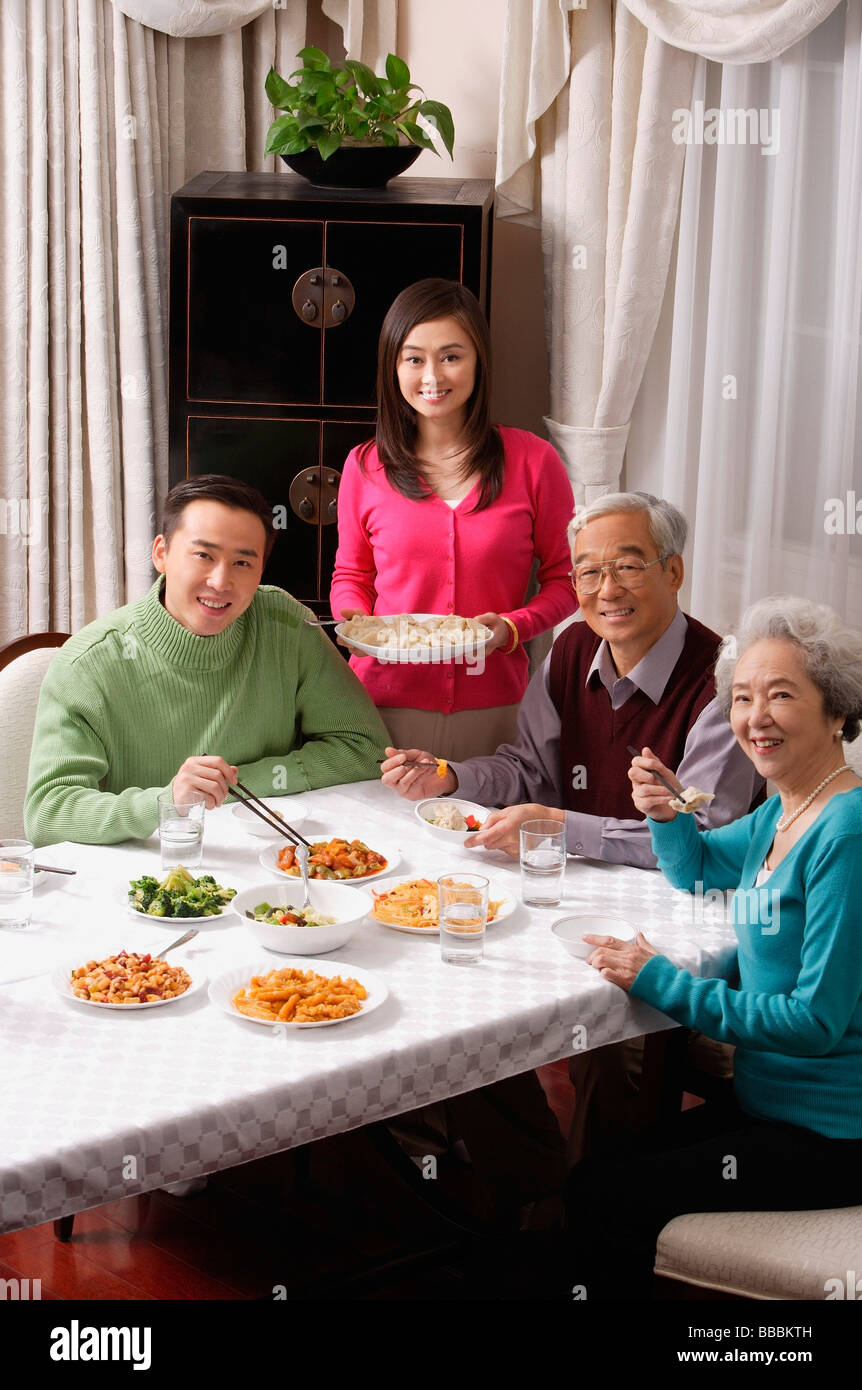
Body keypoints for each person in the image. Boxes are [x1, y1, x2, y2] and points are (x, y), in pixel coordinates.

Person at [383, 490, 762, 1168]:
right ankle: (528, 1184)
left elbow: (699, 838)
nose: (605, 588)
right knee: (464, 984)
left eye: (628, 565)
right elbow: (528, 767)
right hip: (574, 897)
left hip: (696, 918)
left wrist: (560, 827)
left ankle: (595, 1216)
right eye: (588, 571)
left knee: (610, 1040)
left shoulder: (721, 681)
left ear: (674, 572)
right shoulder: (570, 650)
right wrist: (451, 775)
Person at [564, 595, 862, 1300]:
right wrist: (667, 811)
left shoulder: (845, 833)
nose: (755, 717)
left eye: (782, 695)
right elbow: (695, 867)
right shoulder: (786, 811)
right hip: (770, 1104)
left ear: (837, 708)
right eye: (742, 697)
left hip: (833, 1132)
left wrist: (661, 980)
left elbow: (814, 1025)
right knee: (596, 1176)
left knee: (602, 1196)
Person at [25, 475, 389, 847]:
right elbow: (48, 814)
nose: (220, 581)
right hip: (145, 873)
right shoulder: (90, 661)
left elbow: (363, 748)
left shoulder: (284, 623)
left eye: (243, 563)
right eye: (204, 555)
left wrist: (233, 785)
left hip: (266, 858)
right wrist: (166, 803)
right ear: (161, 553)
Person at [330, 277, 578, 759]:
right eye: (414, 358)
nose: (432, 376)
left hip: (496, 708)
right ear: (393, 366)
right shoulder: (364, 466)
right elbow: (351, 575)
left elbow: (566, 580)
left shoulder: (533, 461)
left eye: (451, 356)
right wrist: (352, 617)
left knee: (480, 833)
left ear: (478, 360)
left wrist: (513, 627)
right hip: (379, 705)